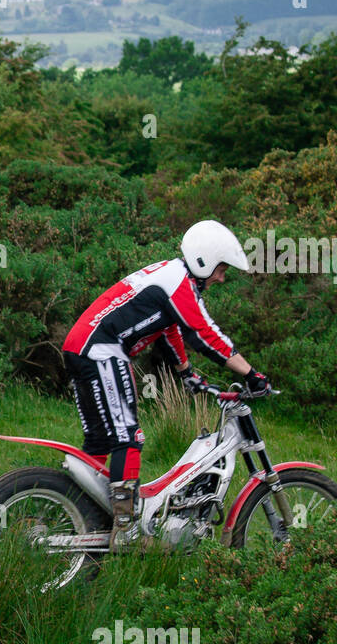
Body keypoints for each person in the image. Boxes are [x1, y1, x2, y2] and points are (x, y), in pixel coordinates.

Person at [61, 219, 271, 550]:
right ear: (204, 259)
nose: (221, 277)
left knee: (101, 442)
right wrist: (251, 373)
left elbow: (170, 327)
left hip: (83, 347)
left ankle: (85, 515)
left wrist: (185, 370)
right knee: (128, 437)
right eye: (220, 269)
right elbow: (205, 334)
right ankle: (127, 528)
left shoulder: (172, 276)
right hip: (100, 350)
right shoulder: (180, 284)